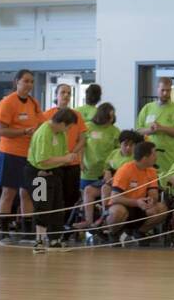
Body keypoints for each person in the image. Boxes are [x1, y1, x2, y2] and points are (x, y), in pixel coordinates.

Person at [0, 69, 45, 245]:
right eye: (26, 81)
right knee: (9, 192)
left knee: (28, 193)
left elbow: (41, 125)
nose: (29, 85)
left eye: (31, 81)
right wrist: (23, 131)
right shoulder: (7, 103)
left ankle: (26, 234)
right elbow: (1, 131)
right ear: (17, 82)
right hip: (10, 153)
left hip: (30, 155)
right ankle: (4, 233)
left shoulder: (34, 103)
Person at [27, 107, 81, 252]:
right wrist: (65, 158)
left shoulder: (61, 133)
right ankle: (39, 241)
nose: (68, 130)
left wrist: (68, 157)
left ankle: (54, 239)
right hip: (39, 172)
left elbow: (63, 153)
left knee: (58, 205)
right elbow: (42, 160)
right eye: (68, 127)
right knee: (42, 205)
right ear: (62, 123)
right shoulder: (44, 132)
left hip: (55, 170)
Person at [43, 83, 88, 229]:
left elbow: (82, 139)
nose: (66, 95)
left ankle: (66, 228)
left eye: (69, 93)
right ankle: (51, 228)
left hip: (72, 164)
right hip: (54, 164)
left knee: (70, 197)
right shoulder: (47, 115)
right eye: (63, 92)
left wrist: (72, 153)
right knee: (52, 197)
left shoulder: (77, 116)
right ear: (56, 95)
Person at [106, 141, 166, 244]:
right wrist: (137, 202)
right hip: (123, 205)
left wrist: (152, 200)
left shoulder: (151, 170)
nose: (156, 157)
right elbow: (115, 198)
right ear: (145, 158)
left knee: (162, 209)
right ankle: (113, 233)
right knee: (118, 212)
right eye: (154, 154)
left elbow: (153, 192)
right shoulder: (125, 169)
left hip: (141, 206)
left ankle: (139, 232)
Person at [78, 103, 119, 230]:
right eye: (109, 116)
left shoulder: (115, 131)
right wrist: (80, 161)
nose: (111, 119)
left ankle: (104, 221)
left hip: (105, 171)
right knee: (85, 196)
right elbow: (81, 145)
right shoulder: (88, 127)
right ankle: (87, 221)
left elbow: (117, 151)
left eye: (113, 116)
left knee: (104, 193)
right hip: (88, 170)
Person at [137, 77, 174, 174]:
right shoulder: (147, 108)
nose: (165, 93)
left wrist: (162, 128)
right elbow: (138, 130)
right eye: (162, 90)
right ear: (157, 89)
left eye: (168, 90)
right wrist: (150, 130)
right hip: (149, 156)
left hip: (170, 156)